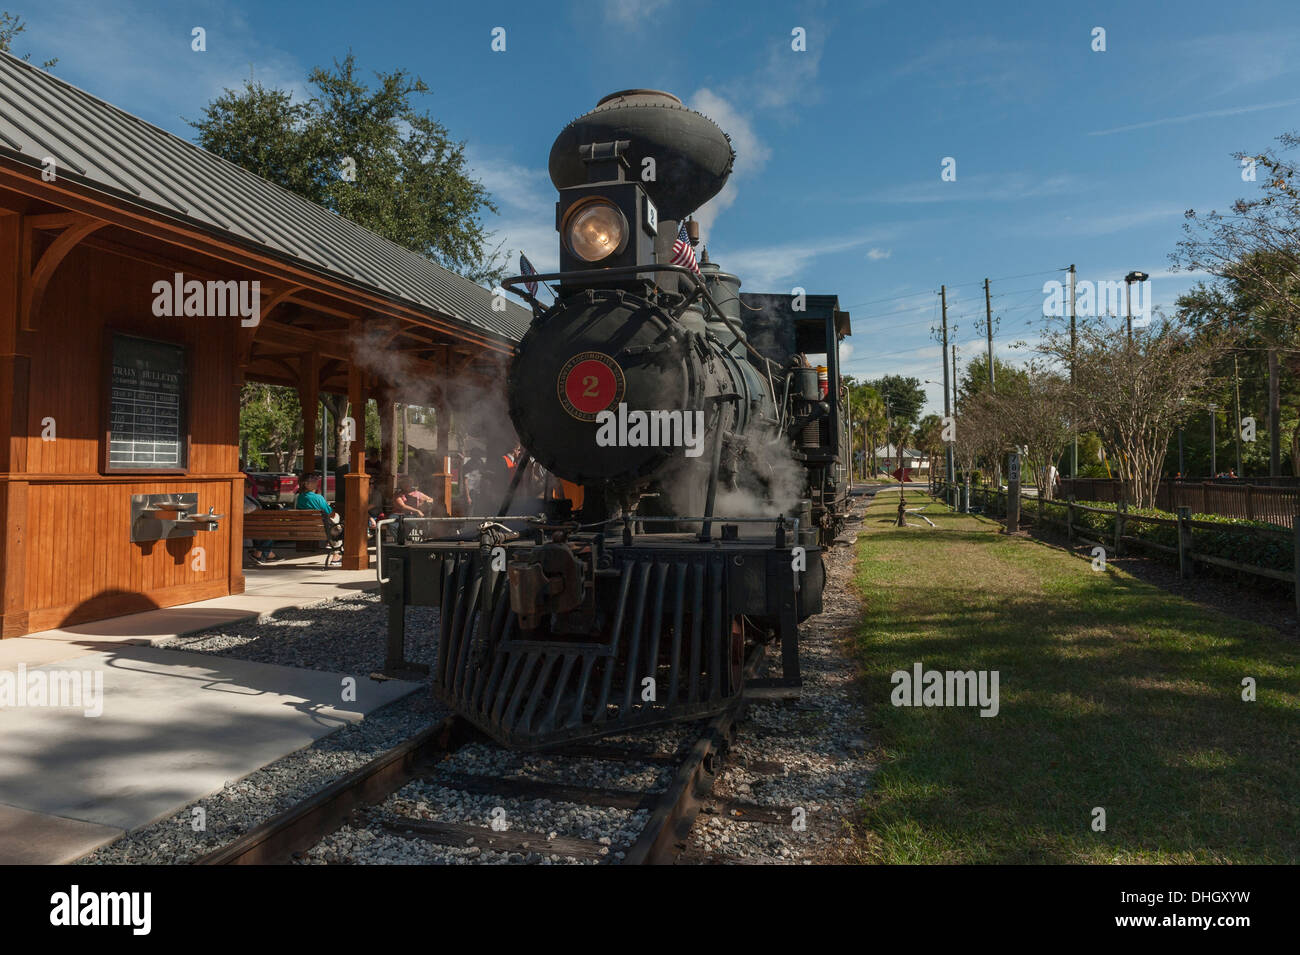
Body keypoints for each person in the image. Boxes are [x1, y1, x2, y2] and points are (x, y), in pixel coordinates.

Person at [296, 472, 344, 548]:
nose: (316, 483)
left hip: (305, 527)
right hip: (321, 528)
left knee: (333, 522)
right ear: (307, 484)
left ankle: (333, 541)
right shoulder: (318, 498)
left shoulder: (299, 498)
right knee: (336, 518)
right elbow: (331, 514)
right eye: (314, 481)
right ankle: (336, 550)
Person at [244, 480, 278, 563]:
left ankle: (263, 553)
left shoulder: (248, 497)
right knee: (270, 530)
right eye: (248, 487)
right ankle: (261, 553)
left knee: (271, 528)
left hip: (257, 524)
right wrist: (256, 509)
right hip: (248, 525)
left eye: (251, 487)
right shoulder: (238, 498)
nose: (251, 489)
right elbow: (245, 509)